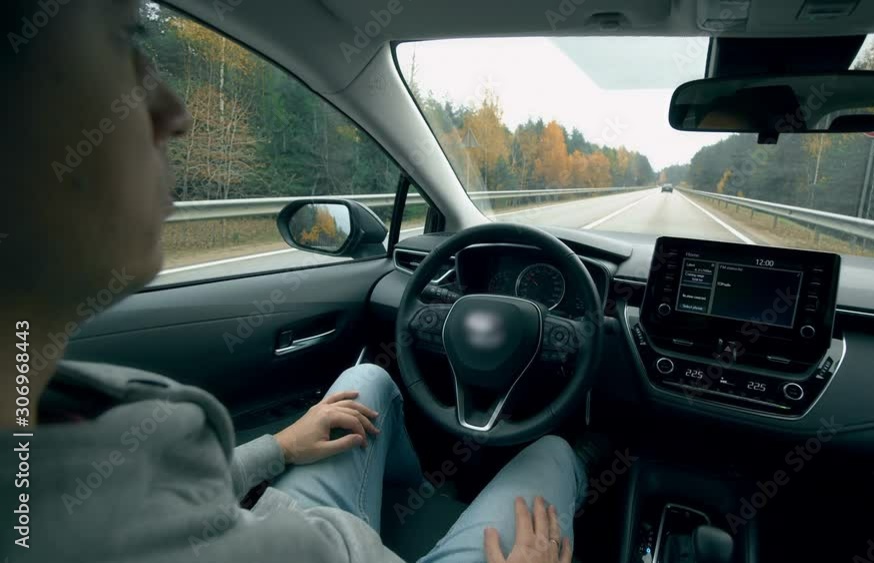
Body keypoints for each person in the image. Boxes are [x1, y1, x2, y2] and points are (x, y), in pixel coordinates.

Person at [1, 1, 592, 561]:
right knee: (555, 453)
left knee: (365, 382)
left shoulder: (40, 410)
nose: (175, 113)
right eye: (126, 37)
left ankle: (423, 492)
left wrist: (277, 447)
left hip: (290, 530)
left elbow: (164, 494)